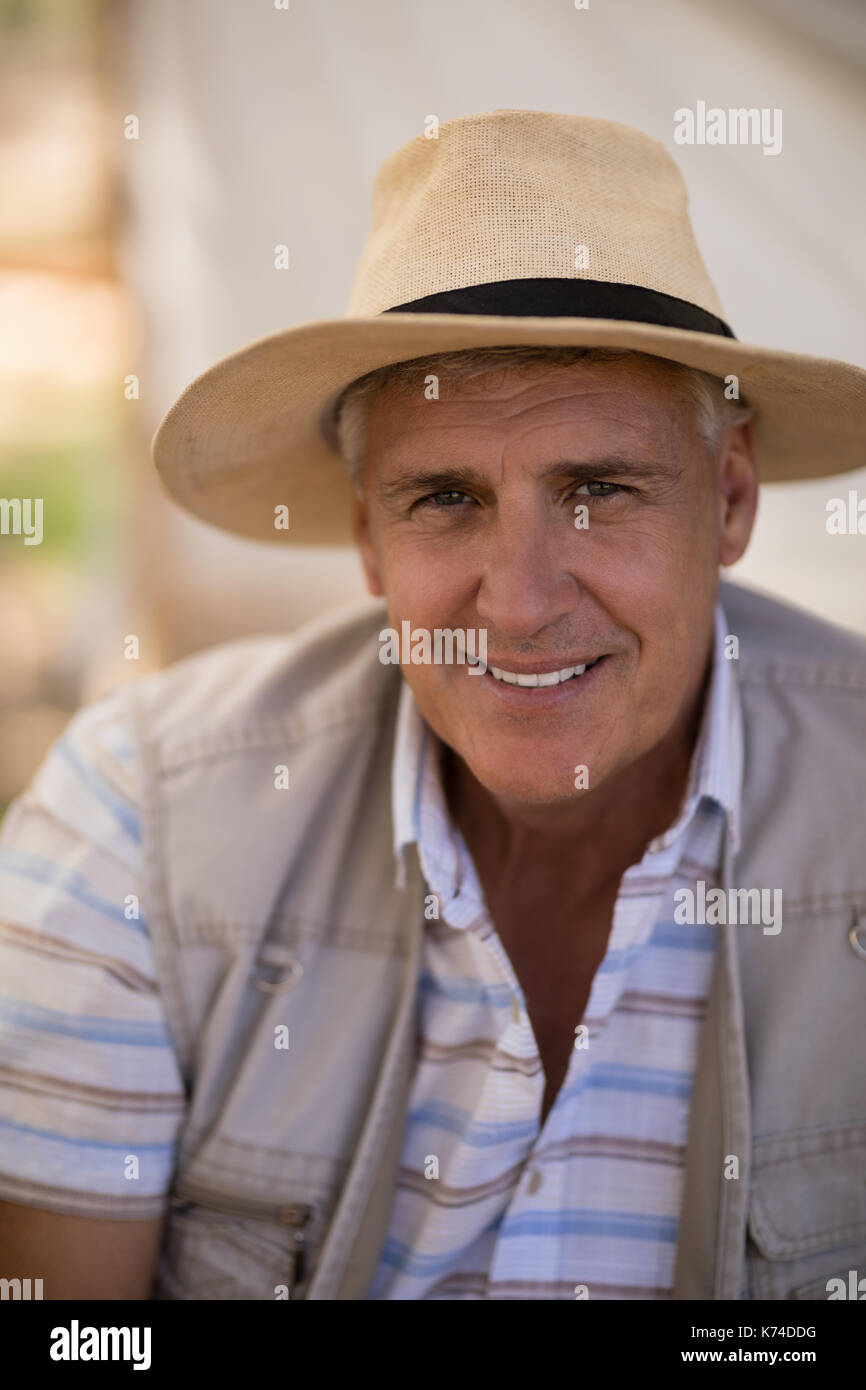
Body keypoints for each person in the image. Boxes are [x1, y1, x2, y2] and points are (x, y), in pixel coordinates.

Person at [1, 109, 865, 1301]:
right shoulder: (135, 829)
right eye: (444, 497)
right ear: (363, 536)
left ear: (726, 498)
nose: (516, 605)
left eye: (598, 489)